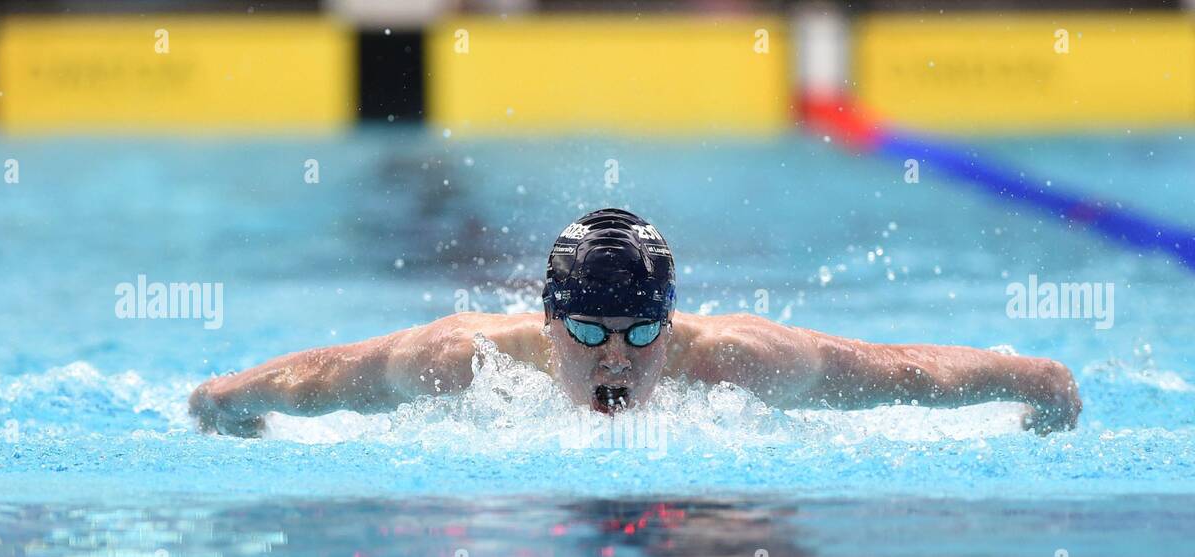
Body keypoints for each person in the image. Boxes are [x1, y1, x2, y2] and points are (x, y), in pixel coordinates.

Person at [189, 207, 1080, 437]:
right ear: (547, 324)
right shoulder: (456, 359)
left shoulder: (737, 360)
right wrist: (224, 401)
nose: (615, 359)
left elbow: (907, 375)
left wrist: (1033, 382)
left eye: (639, 334)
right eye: (587, 334)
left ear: (672, 321)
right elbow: (313, 381)